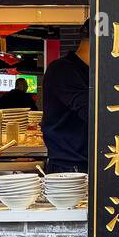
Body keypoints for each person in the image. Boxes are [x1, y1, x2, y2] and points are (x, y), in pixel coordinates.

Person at [42, 23, 90, 174]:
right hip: (70, 167)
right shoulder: (62, 70)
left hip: (88, 162)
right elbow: (91, 112)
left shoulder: (92, 72)